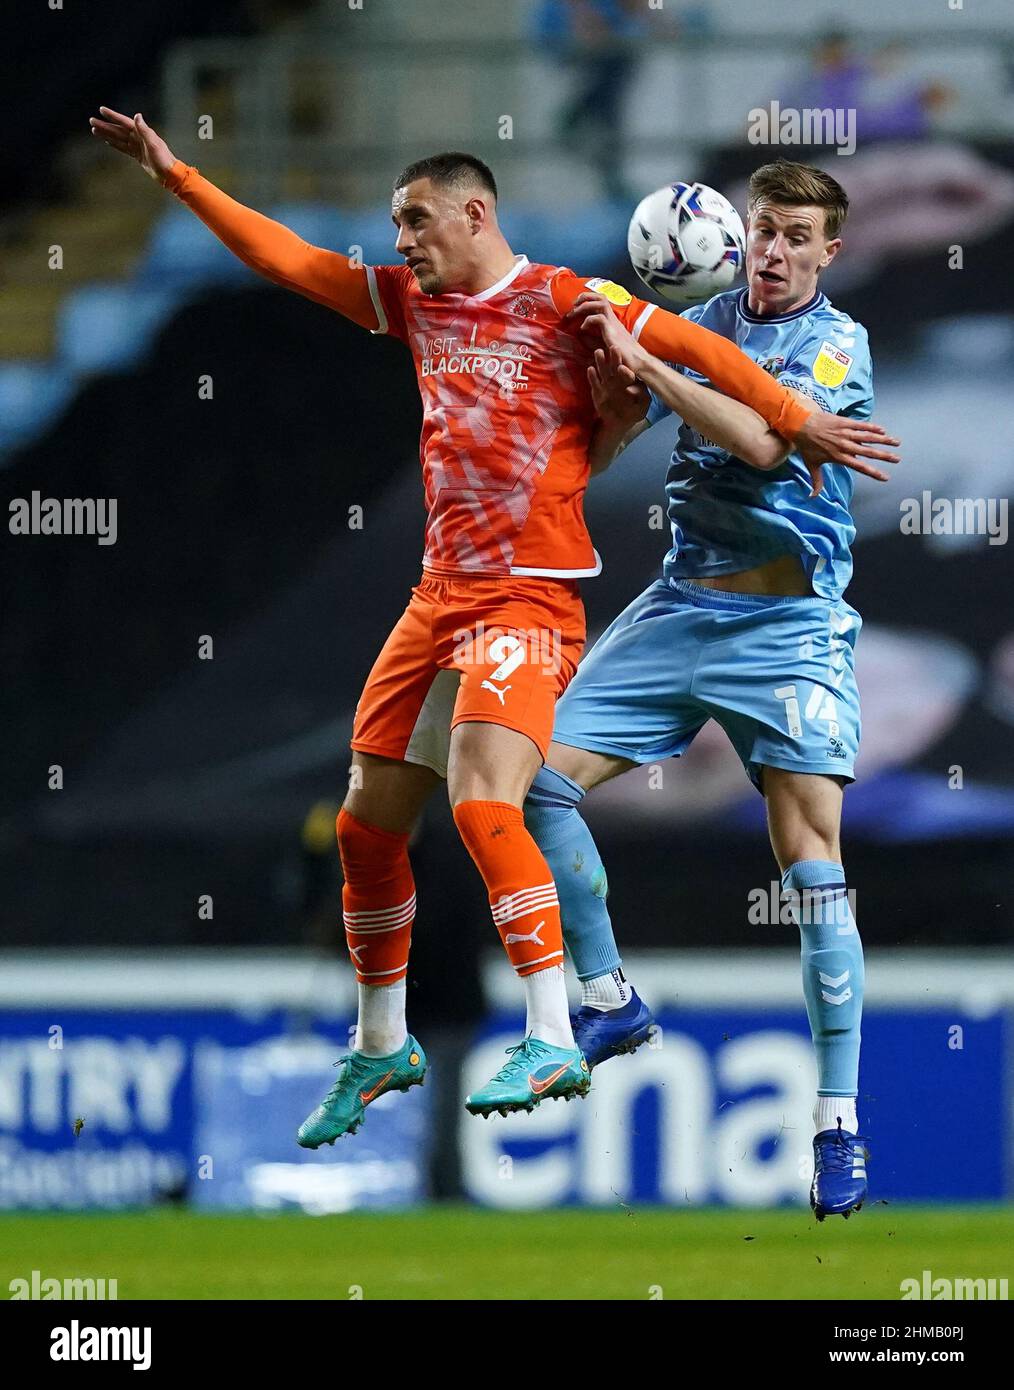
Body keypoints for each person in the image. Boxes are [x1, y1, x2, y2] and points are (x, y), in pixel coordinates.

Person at [90, 108, 896, 1142]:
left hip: (606, 603)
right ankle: (394, 1040)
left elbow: (719, 387)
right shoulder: (418, 306)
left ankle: (771, 1095)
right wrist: (179, 176)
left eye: (416, 219)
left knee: (504, 810)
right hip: (467, 597)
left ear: (476, 213)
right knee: (367, 823)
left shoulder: (575, 299)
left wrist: (795, 420)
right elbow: (289, 261)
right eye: (763, 229)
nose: (401, 241)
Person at [524, 160, 892, 1220]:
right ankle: (609, 996)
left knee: (812, 862)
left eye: (797, 236)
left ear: (828, 252)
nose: (775, 251)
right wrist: (616, 383)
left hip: (787, 626)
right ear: (739, 236)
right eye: (764, 230)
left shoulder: (836, 343)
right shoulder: (696, 311)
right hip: (684, 603)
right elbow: (628, 423)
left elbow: (767, 443)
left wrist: (654, 360)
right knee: (531, 783)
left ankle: (836, 1125)